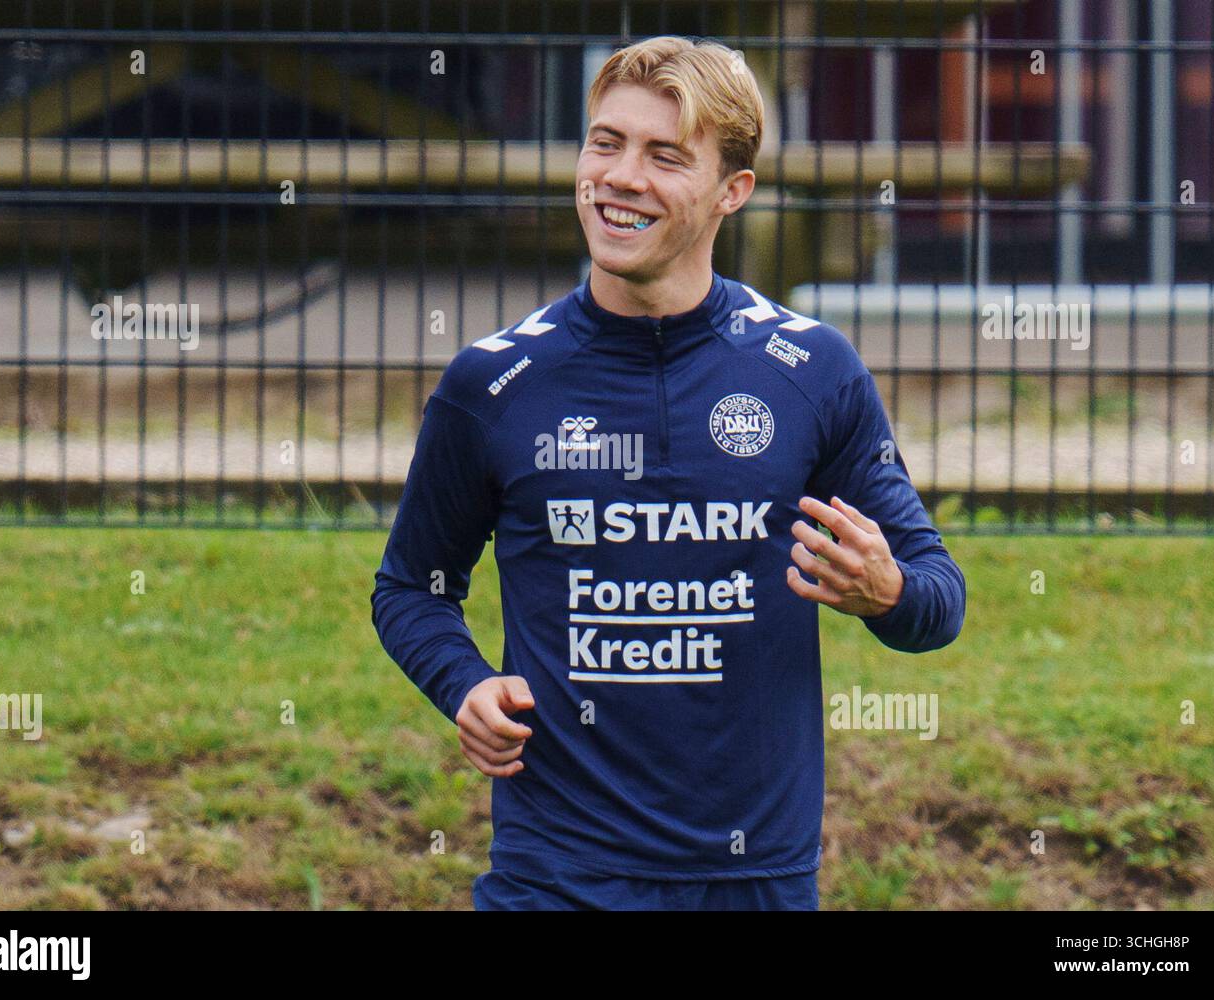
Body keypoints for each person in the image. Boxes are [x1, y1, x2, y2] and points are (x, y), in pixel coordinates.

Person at [371, 35, 966, 911]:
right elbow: (409, 588)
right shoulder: (493, 385)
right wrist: (464, 685)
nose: (619, 177)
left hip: (752, 878)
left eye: (663, 156)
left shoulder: (810, 371)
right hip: (555, 875)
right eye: (605, 143)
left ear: (732, 191)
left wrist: (884, 590)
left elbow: (937, 599)